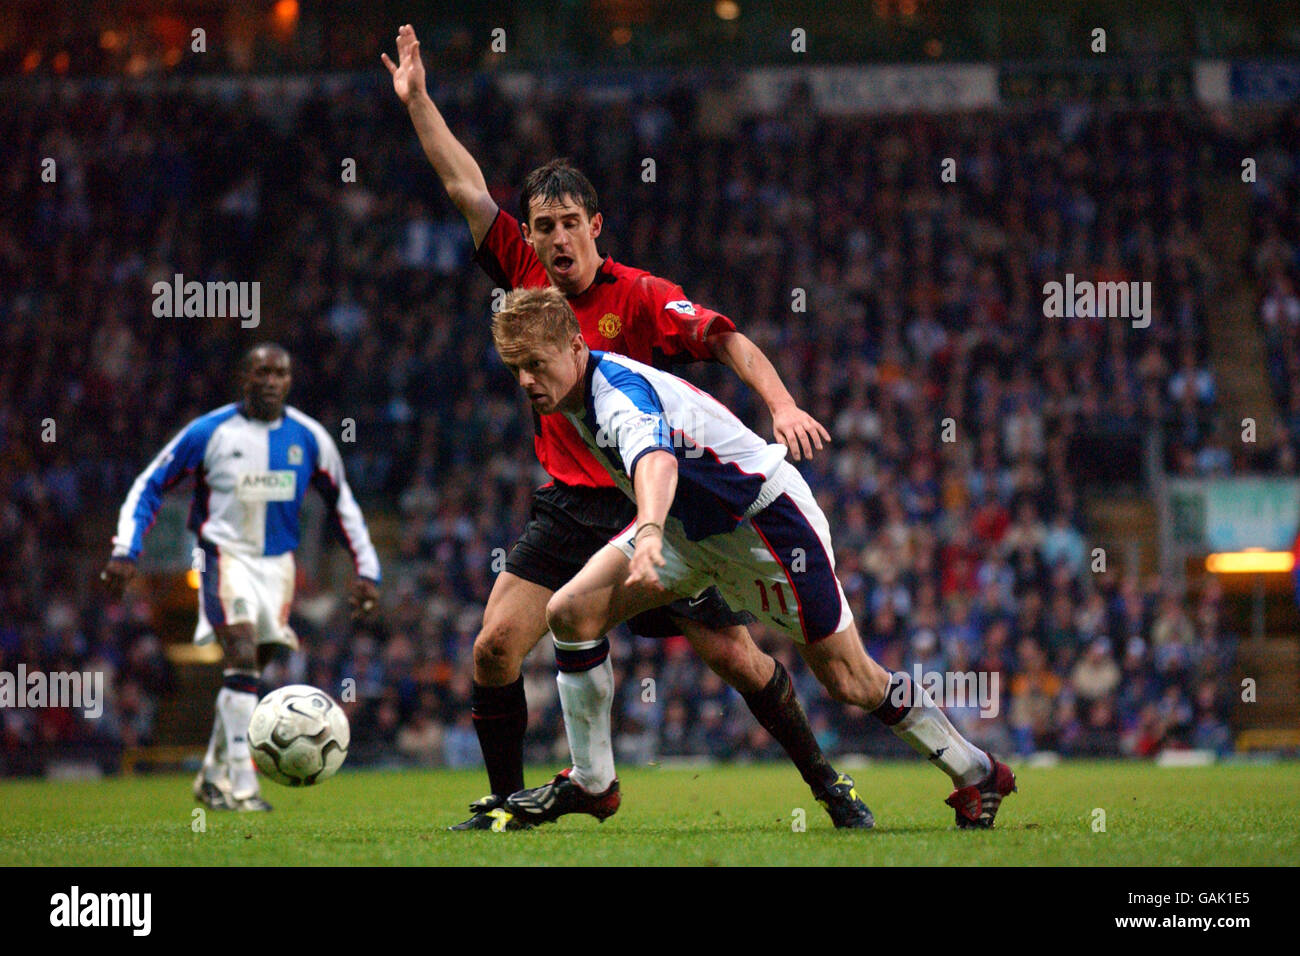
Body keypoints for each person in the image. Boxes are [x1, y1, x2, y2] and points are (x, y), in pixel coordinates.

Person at [383, 24, 871, 831]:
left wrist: (780, 404)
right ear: (531, 236)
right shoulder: (523, 273)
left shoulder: (638, 296)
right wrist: (420, 102)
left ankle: (827, 784)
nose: (557, 237)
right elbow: (467, 189)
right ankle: (509, 803)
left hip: (662, 503)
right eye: (544, 226)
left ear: (595, 225)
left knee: (734, 656)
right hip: (573, 505)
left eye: (570, 221)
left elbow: (726, 339)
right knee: (495, 648)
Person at [492, 288, 1017, 829]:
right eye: (516, 369)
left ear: (576, 347)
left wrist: (647, 526)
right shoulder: (575, 395)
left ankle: (977, 771)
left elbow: (656, 461)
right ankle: (593, 781)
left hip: (766, 529)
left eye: (536, 364)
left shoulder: (615, 395)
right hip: (690, 535)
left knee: (851, 682)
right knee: (570, 611)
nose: (528, 381)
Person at [100, 344, 381, 811]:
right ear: (244, 377)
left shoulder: (310, 438)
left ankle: (210, 777)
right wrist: (126, 548)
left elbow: (343, 504)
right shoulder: (209, 432)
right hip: (222, 558)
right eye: (262, 372)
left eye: (280, 373)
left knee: (245, 673)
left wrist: (368, 570)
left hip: (279, 568)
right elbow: (150, 483)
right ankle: (242, 787)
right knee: (242, 653)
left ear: (290, 381)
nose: (271, 381)